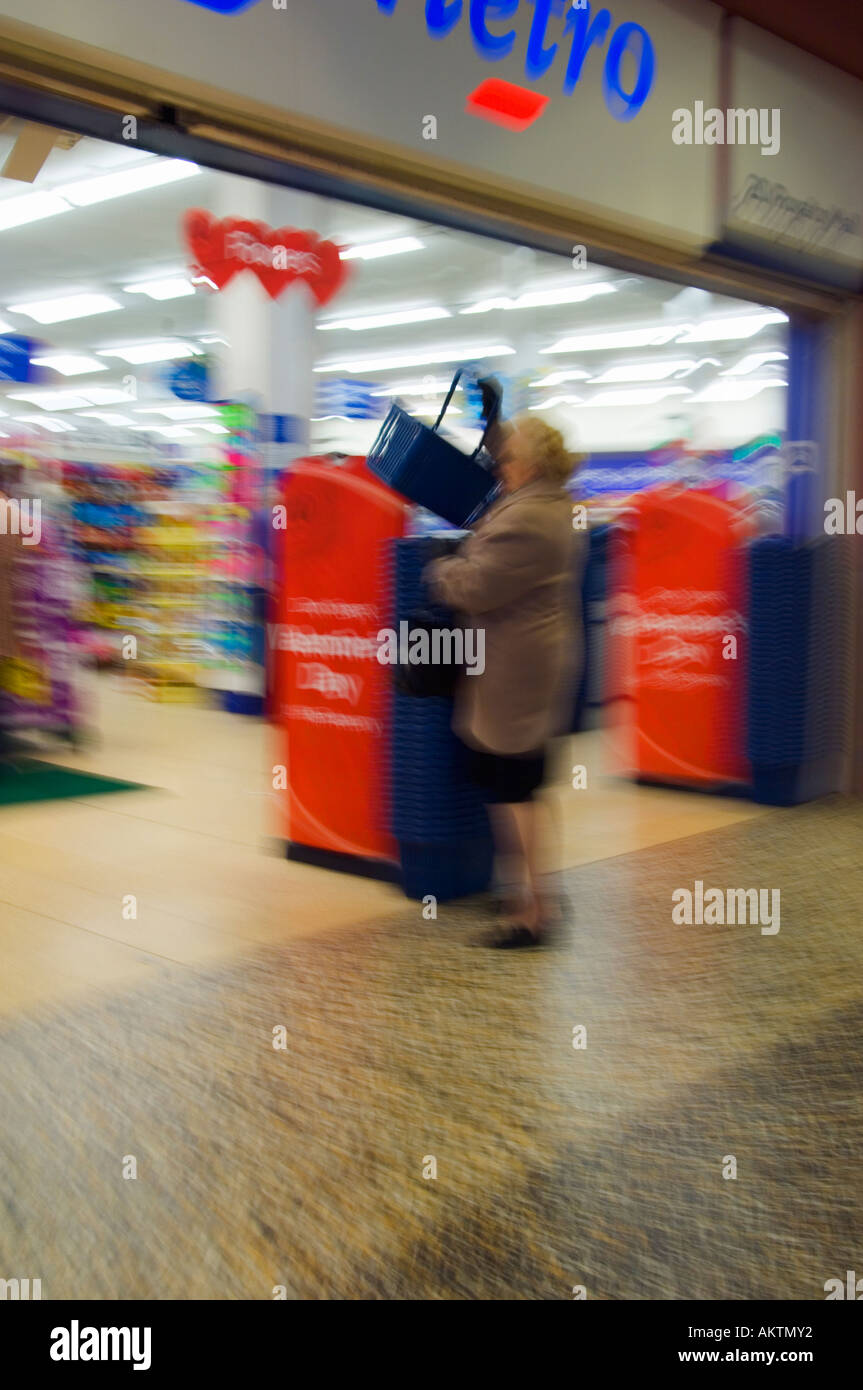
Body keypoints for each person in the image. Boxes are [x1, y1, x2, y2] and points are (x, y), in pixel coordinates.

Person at [425, 389, 585, 947]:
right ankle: (534, 892)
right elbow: (511, 457)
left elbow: (478, 586)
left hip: (514, 668)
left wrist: (439, 570)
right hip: (525, 660)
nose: (499, 463)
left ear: (529, 464)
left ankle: (532, 913)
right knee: (520, 787)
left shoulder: (530, 519)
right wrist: (492, 420)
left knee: (513, 788)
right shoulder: (548, 501)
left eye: (507, 456)